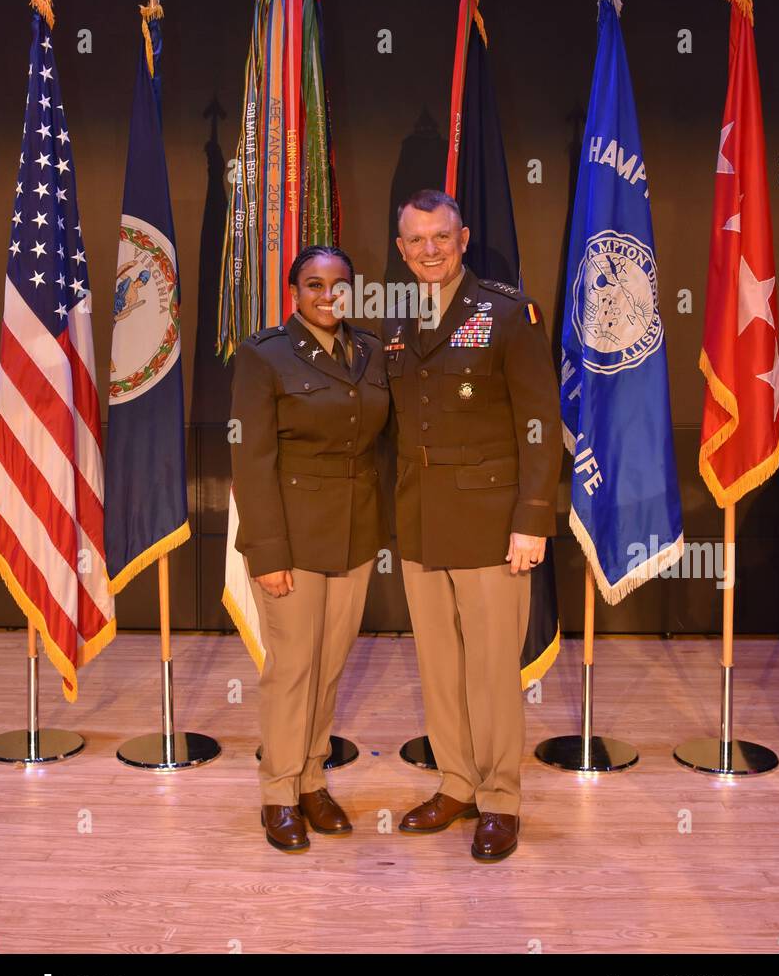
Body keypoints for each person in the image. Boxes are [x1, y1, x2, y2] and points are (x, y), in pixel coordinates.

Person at [383, 190, 562, 862]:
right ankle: (455, 783)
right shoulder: (395, 323)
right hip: (421, 518)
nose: (429, 250)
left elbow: (538, 427)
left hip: (492, 521)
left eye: (440, 237)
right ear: (401, 251)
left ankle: (500, 799)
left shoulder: (508, 313)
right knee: (439, 666)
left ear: (461, 239)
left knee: (491, 670)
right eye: (416, 240)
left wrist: (531, 520)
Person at [230, 246, 390, 852]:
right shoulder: (263, 355)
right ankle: (278, 791)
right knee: (292, 669)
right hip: (291, 540)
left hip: (354, 535)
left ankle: (312, 778)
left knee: (328, 668)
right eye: (314, 284)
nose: (329, 296)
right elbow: (251, 459)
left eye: (339, 284)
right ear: (294, 291)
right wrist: (266, 552)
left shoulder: (372, 351)